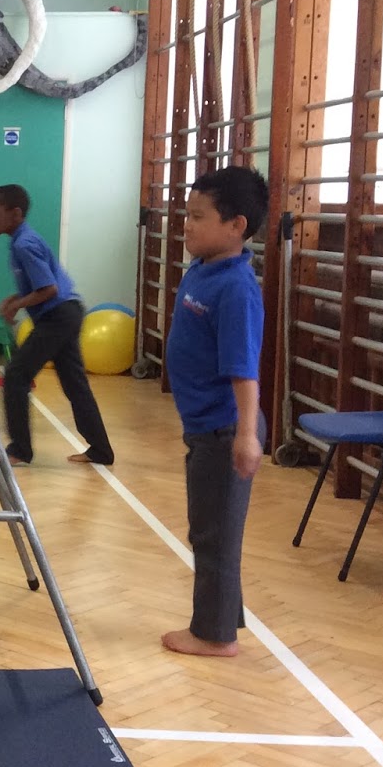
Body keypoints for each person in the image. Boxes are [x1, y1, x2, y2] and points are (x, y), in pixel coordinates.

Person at [161, 165, 268, 659]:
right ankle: (222, 618)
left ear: (235, 226)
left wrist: (246, 434)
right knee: (210, 528)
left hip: (225, 430)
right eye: (187, 214)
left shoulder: (236, 288)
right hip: (205, 427)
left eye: (198, 217)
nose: (187, 224)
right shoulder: (203, 269)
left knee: (214, 535)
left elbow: (244, 369)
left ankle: (215, 635)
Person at [0, 184, 114, 468]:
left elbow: (49, 289)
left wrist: (17, 305)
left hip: (59, 316)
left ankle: (20, 450)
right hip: (66, 313)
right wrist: (17, 298)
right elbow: (42, 286)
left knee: (16, 375)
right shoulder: (21, 240)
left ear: (15, 214)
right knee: (74, 384)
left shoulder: (24, 244)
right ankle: (101, 451)